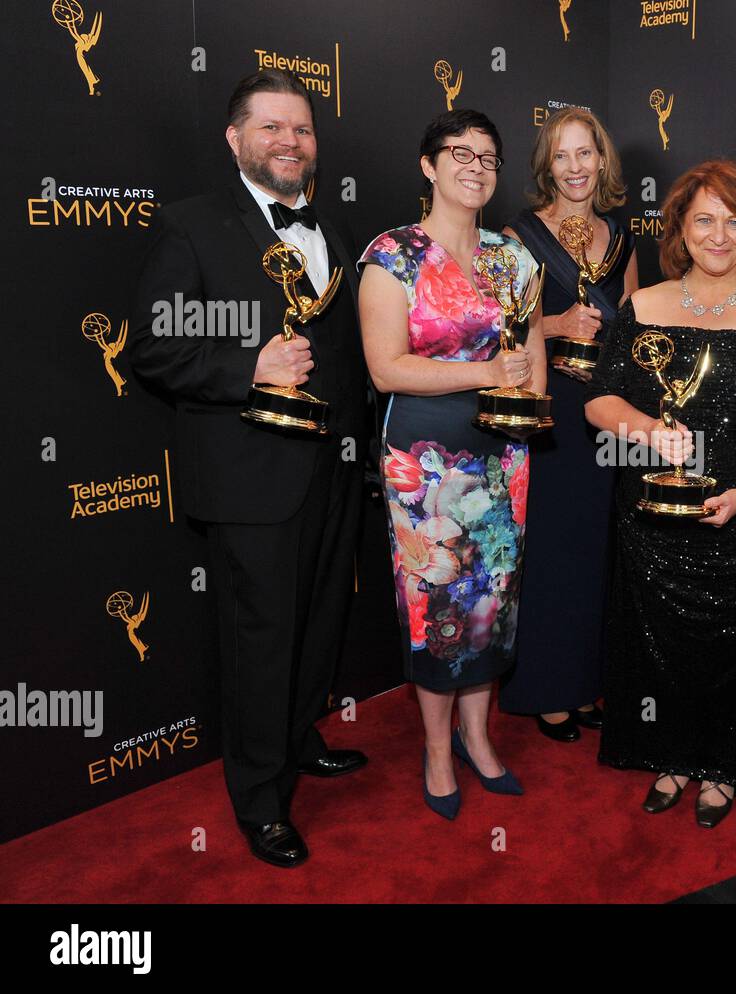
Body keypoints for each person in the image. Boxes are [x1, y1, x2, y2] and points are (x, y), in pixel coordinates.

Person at [129, 69, 369, 869]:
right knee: (260, 641)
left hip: (331, 473)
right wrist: (249, 367)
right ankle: (260, 800)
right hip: (248, 479)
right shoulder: (190, 227)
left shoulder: (331, 233)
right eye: (272, 128)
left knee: (317, 623)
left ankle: (300, 740)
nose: (290, 142)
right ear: (236, 140)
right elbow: (155, 347)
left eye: (301, 129)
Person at [585, 159, 736, 828]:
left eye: (734, 223)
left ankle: (724, 764)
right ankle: (672, 754)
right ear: (680, 230)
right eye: (703, 221)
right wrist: (641, 430)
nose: (718, 236)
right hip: (656, 516)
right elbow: (600, 399)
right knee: (664, 641)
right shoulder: (644, 306)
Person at [358, 109, 546, 821]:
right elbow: (385, 369)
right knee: (438, 602)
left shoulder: (511, 256)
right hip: (426, 465)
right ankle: (437, 749)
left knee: (492, 600)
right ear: (428, 165)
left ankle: (478, 735)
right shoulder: (392, 255)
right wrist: (488, 370)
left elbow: (531, 351)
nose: (475, 165)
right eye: (459, 153)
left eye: (489, 156)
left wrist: (533, 401)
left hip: (507, 456)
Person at [500, 108, 638, 742]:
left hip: (601, 412)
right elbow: (502, 327)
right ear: (545, 165)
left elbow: (632, 328)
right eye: (563, 155)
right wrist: (556, 327)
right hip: (547, 406)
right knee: (550, 552)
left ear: (602, 161)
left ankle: (586, 685)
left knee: (594, 552)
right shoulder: (518, 235)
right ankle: (546, 690)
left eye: (587, 154)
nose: (577, 167)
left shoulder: (622, 237)